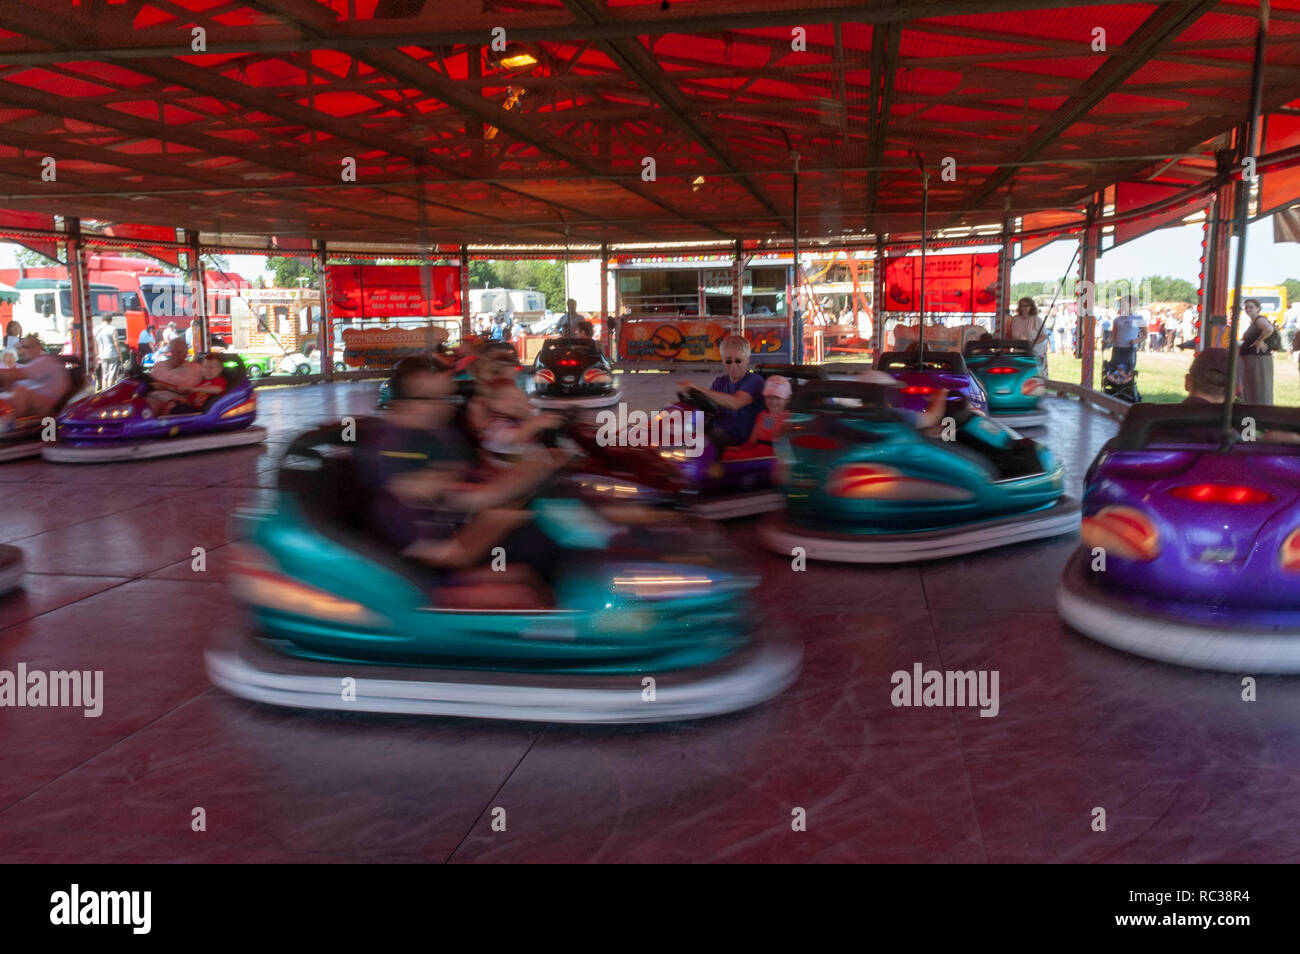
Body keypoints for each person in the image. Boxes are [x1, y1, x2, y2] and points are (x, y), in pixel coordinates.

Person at [354, 358, 572, 605]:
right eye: (431, 398)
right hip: (419, 582)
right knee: (526, 590)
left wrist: (531, 477)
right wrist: (503, 514)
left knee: (554, 552)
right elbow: (447, 554)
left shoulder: (436, 434)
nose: (445, 406)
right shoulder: (390, 454)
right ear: (401, 403)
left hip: (461, 541)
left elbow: (470, 490)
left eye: (447, 397)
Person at [676, 335, 765, 446]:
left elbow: (735, 402)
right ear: (723, 361)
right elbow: (705, 405)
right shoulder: (720, 382)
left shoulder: (755, 380)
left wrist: (695, 388)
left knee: (705, 440)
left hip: (741, 441)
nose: (733, 366)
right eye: (728, 361)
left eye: (738, 361)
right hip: (720, 436)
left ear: (747, 360)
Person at [0, 334, 72, 432]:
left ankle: (8, 432)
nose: (25, 350)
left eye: (28, 347)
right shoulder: (28, 364)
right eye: (23, 347)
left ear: (39, 347)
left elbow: (18, 374)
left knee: (22, 394)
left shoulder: (45, 361)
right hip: (31, 402)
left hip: (47, 406)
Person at [146, 337, 203, 416]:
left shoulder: (195, 368)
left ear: (186, 353)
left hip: (173, 402)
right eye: (174, 351)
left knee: (152, 407)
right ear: (170, 351)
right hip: (149, 397)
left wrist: (166, 386)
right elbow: (148, 379)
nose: (176, 355)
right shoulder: (160, 365)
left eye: (179, 352)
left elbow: (189, 390)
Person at [1238, 298, 1277, 405]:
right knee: (1253, 386)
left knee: (1259, 386)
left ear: (1258, 308)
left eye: (1251, 307)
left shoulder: (1259, 320)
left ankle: (1261, 410)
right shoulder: (1254, 321)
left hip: (1258, 360)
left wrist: (1259, 340)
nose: (1248, 309)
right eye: (1246, 307)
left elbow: (1269, 329)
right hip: (1252, 359)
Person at [1007, 298, 1048, 372]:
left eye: (1026, 306)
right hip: (1019, 352)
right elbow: (1012, 335)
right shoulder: (1015, 319)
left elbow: (1044, 335)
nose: (1023, 308)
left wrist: (1033, 342)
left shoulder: (1037, 319)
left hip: (1035, 353)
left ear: (1031, 307)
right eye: (1021, 306)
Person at [1111, 296, 1142, 370]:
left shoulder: (1138, 318)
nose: (1121, 306)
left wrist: (1136, 340)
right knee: (1114, 370)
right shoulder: (1117, 319)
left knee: (1128, 371)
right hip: (1117, 348)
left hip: (1130, 349)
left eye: (1123, 304)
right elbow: (1113, 335)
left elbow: (1145, 335)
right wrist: (1107, 340)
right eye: (1121, 304)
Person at [93, 315, 120, 390]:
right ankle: (109, 391)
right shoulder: (112, 329)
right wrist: (120, 355)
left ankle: (104, 392)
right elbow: (116, 344)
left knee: (104, 374)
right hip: (112, 354)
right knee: (111, 375)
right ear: (110, 320)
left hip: (102, 355)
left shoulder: (96, 329)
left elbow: (95, 344)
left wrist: (97, 354)